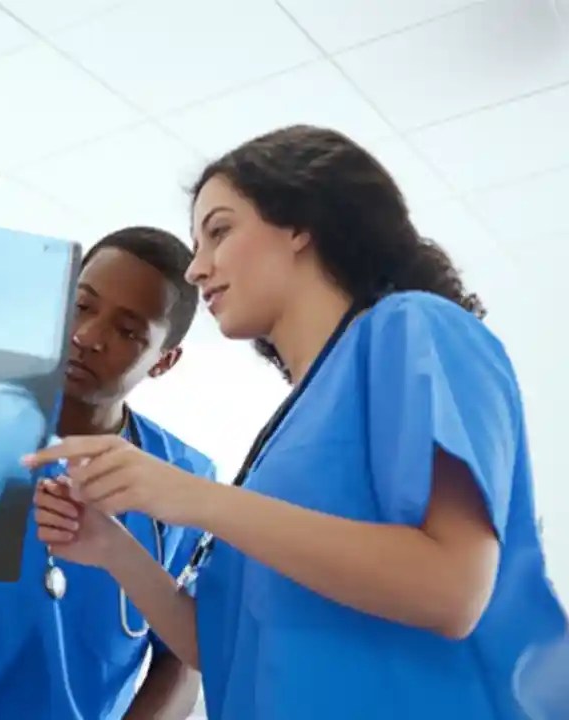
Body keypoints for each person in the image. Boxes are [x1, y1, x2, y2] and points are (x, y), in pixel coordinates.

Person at [30, 124, 569, 720]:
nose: (196, 270)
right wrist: (110, 546)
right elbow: (222, 646)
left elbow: (453, 589)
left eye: (220, 231)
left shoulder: (414, 329)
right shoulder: (284, 444)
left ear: (300, 225)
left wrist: (191, 497)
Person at [0, 227, 218, 720]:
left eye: (128, 331)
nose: (87, 337)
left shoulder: (183, 478)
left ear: (164, 361)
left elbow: (182, 661)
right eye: (82, 306)